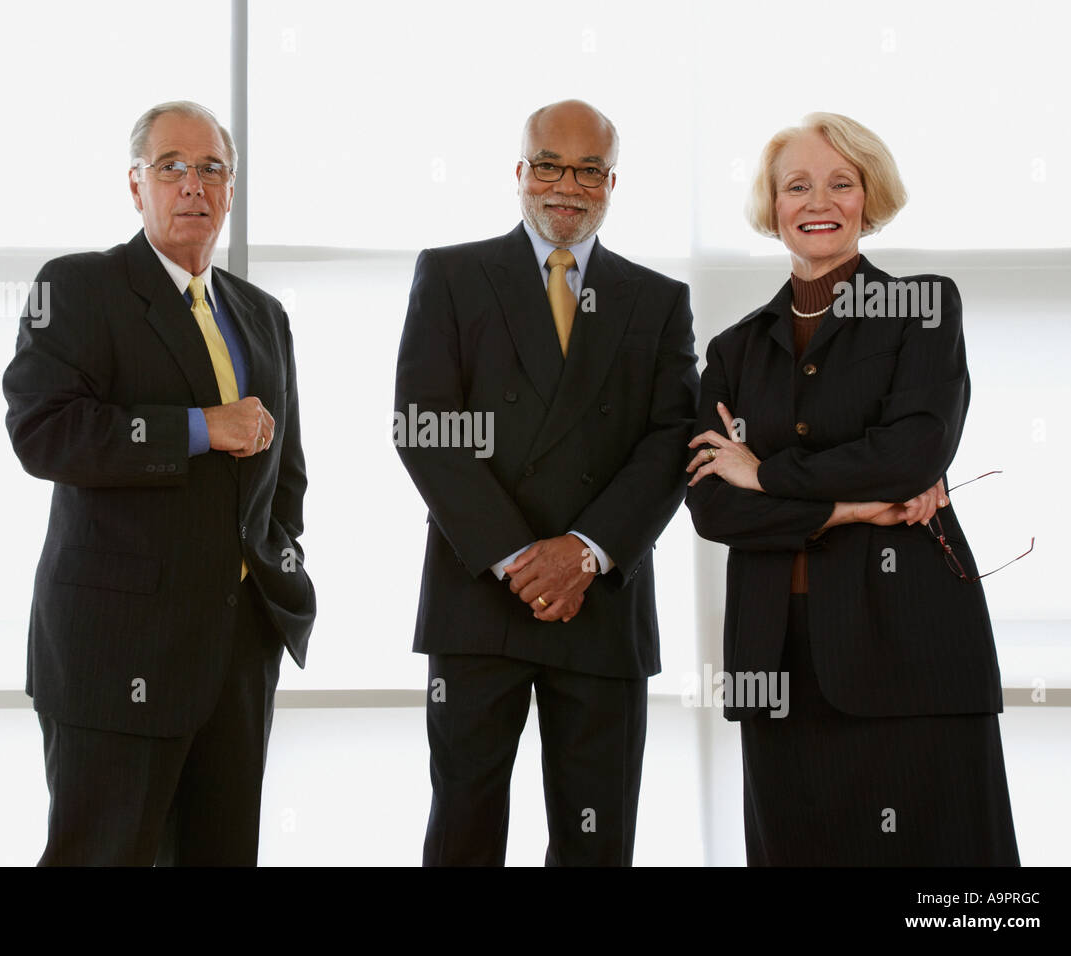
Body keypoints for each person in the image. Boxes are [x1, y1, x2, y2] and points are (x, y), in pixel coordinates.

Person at [684, 112, 1019, 865]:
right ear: (772, 207)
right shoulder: (735, 351)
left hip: (912, 644)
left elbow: (914, 451)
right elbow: (712, 503)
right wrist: (850, 505)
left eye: (842, 182)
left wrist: (766, 472)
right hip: (777, 659)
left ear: (870, 197)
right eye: (796, 185)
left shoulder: (923, 307)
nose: (818, 200)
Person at [2, 101, 315, 865]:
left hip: (238, 650)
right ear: (135, 185)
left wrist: (278, 565)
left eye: (212, 169)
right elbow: (45, 433)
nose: (193, 185)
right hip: (117, 654)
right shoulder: (78, 288)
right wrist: (201, 427)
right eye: (171, 167)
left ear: (231, 191)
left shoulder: (262, 314)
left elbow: (288, 472)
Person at [394, 99, 699, 866]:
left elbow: (671, 443)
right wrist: (520, 559)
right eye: (551, 165)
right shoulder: (453, 273)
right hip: (479, 594)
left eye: (589, 169)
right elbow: (426, 426)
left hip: (600, 601)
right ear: (521, 172)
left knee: (596, 839)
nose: (569, 185)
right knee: (463, 829)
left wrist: (585, 552)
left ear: (612, 181)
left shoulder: (658, 301)